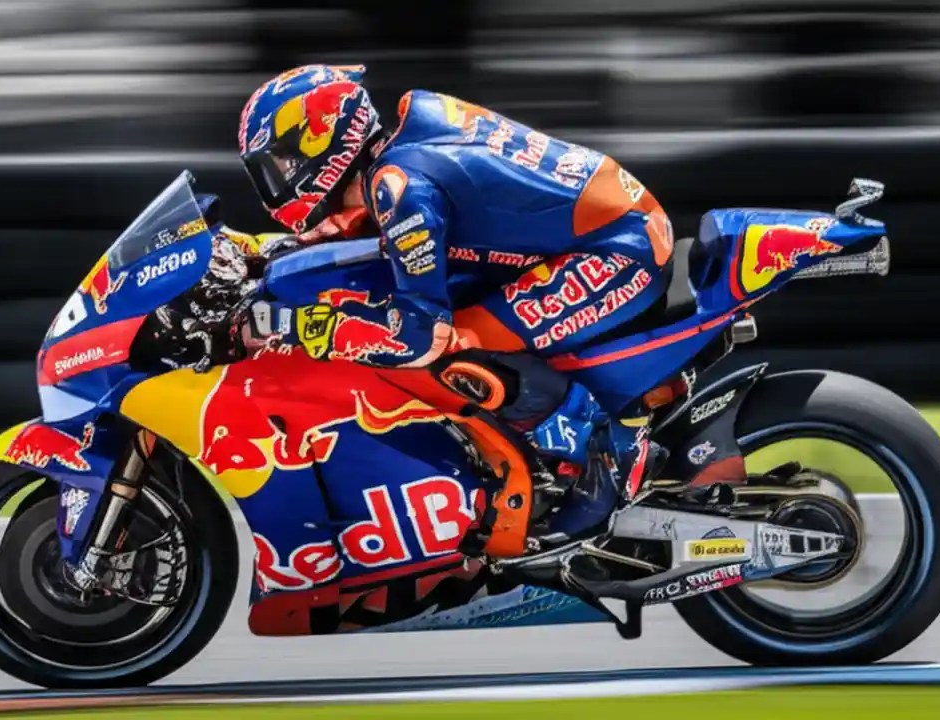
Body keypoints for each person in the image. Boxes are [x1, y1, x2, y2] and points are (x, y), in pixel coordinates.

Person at [195, 64, 680, 559]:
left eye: (278, 165)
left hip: (618, 252)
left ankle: (607, 451)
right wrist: (252, 253)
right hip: (596, 231)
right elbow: (364, 237)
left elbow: (419, 334)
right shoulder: (396, 153)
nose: (275, 183)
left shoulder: (402, 186)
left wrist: (295, 326)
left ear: (321, 144)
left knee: (453, 347)